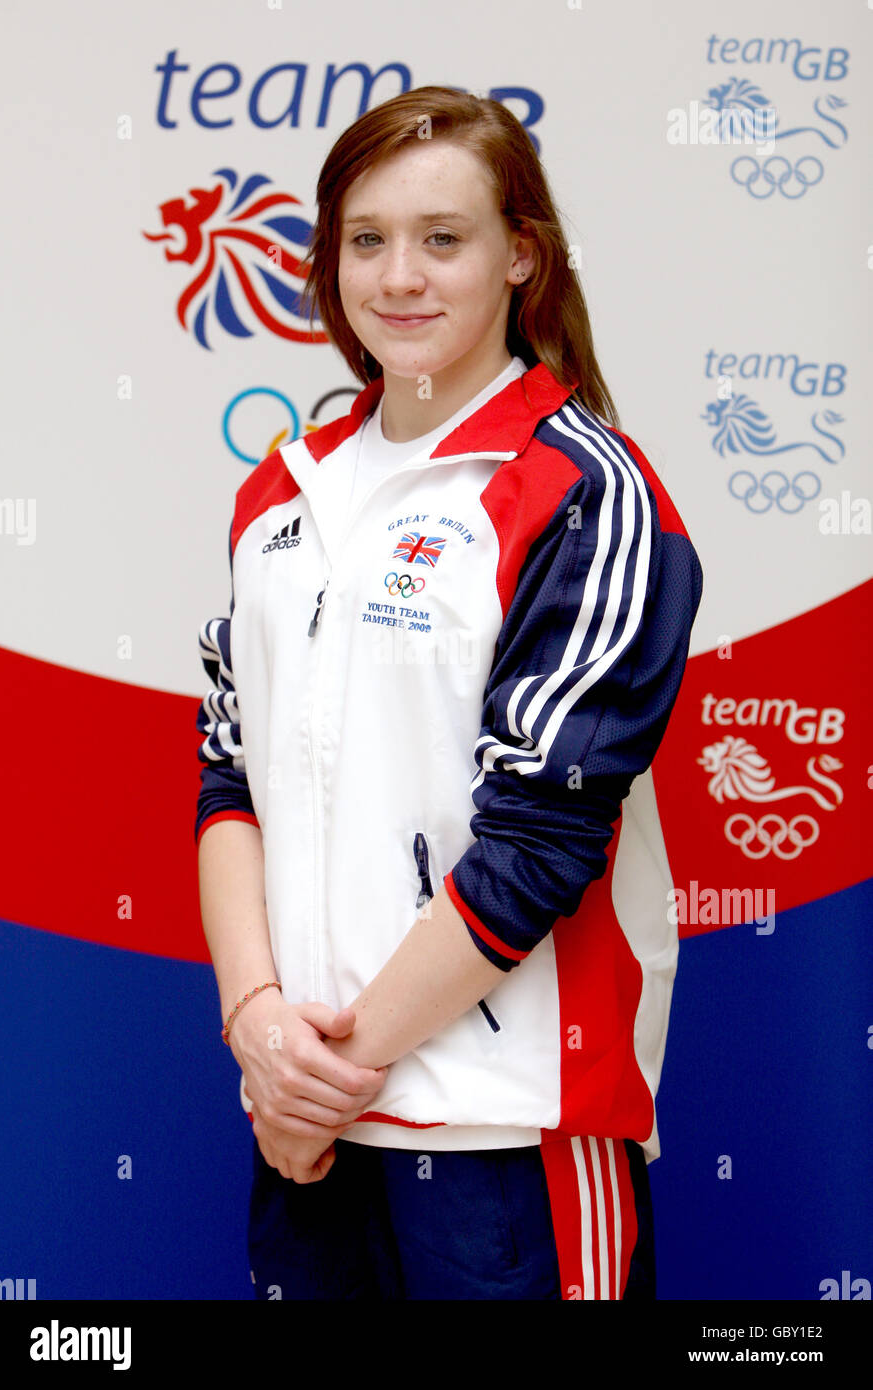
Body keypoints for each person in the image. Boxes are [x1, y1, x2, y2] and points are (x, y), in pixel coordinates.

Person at [195, 86, 703, 1301]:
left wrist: (324, 1078)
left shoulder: (584, 488)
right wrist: (259, 1029)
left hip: (505, 1132)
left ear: (518, 255)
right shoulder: (281, 491)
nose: (398, 277)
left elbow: (541, 838)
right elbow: (229, 774)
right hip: (306, 1130)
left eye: (443, 237)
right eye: (365, 240)